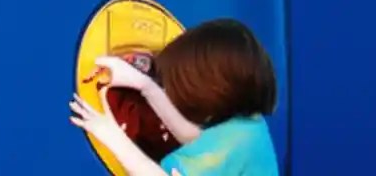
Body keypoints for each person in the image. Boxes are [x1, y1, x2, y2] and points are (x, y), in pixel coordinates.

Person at [69, 19, 280, 175]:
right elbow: (194, 138)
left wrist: (110, 134)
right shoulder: (248, 126)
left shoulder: (238, 143)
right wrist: (144, 85)